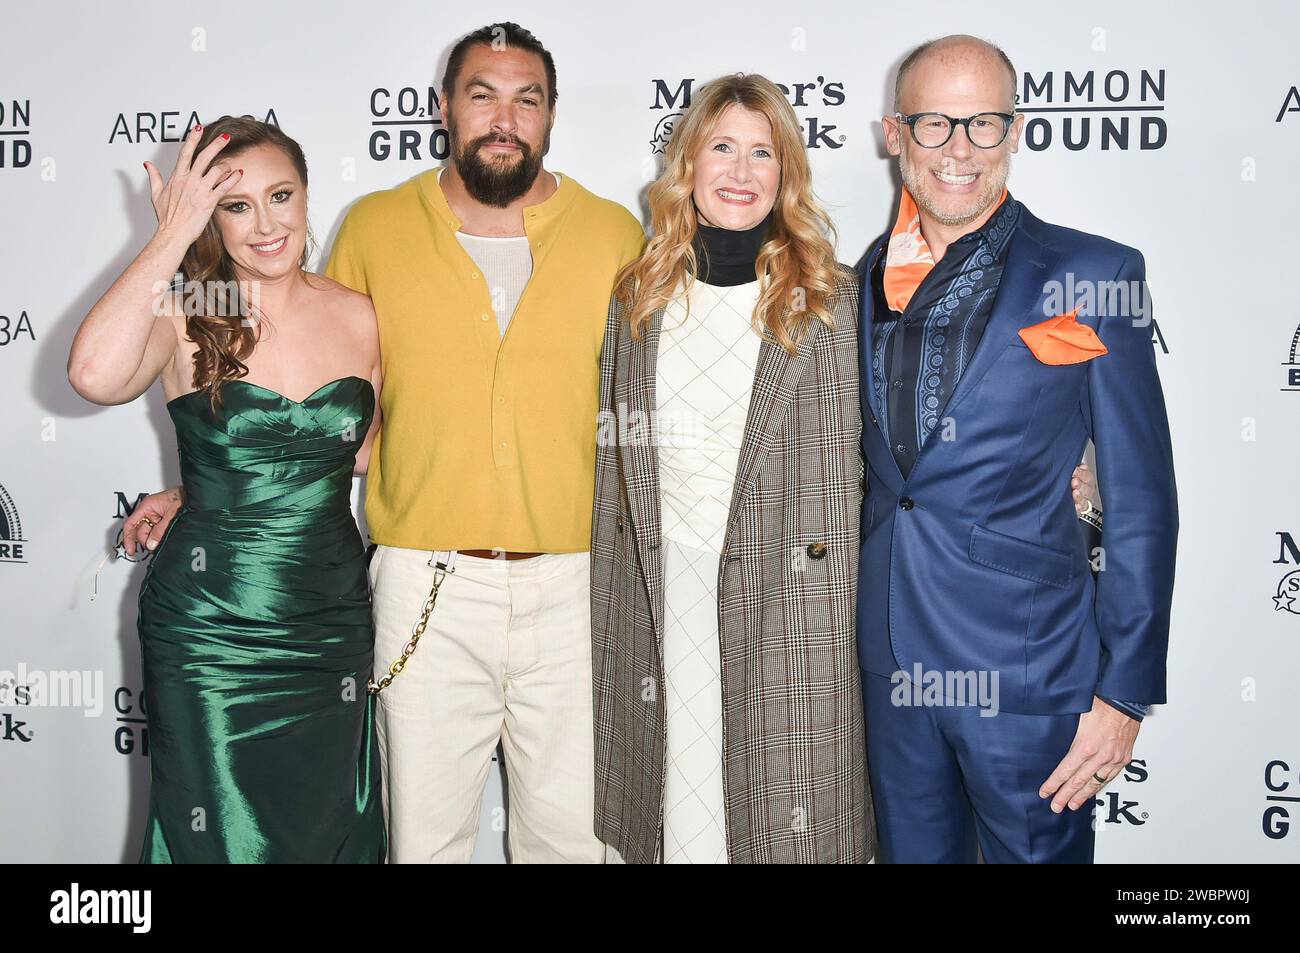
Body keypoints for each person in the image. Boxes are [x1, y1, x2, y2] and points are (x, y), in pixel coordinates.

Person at [128, 23, 645, 863]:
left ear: (552, 116)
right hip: (422, 584)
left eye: (528, 99)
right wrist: (215, 487)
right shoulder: (374, 227)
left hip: (575, 586)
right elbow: (328, 400)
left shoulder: (616, 236)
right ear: (444, 108)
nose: (504, 118)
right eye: (482, 95)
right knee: (420, 842)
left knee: (577, 845)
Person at [856, 35, 1178, 863]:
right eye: (934, 124)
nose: (959, 150)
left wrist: (1125, 691)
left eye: (984, 124)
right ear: (895, 134)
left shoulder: (1095, 273)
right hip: (890, 668)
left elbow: (1140, 498)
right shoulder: (860, 279)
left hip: (1029, 676)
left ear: (1018, 129)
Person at [68, 117, 385, 862]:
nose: (266, 224)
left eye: (281, 195)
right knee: (218, 832)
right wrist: (170, 238)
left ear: (308, 195)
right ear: (208, 218)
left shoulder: (359, 313)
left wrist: (190, 486)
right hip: (212, 630)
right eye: (235, 206)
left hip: (331, 622)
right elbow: (92, 375)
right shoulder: (184, 312)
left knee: (329, 824)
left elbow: (366, 455)